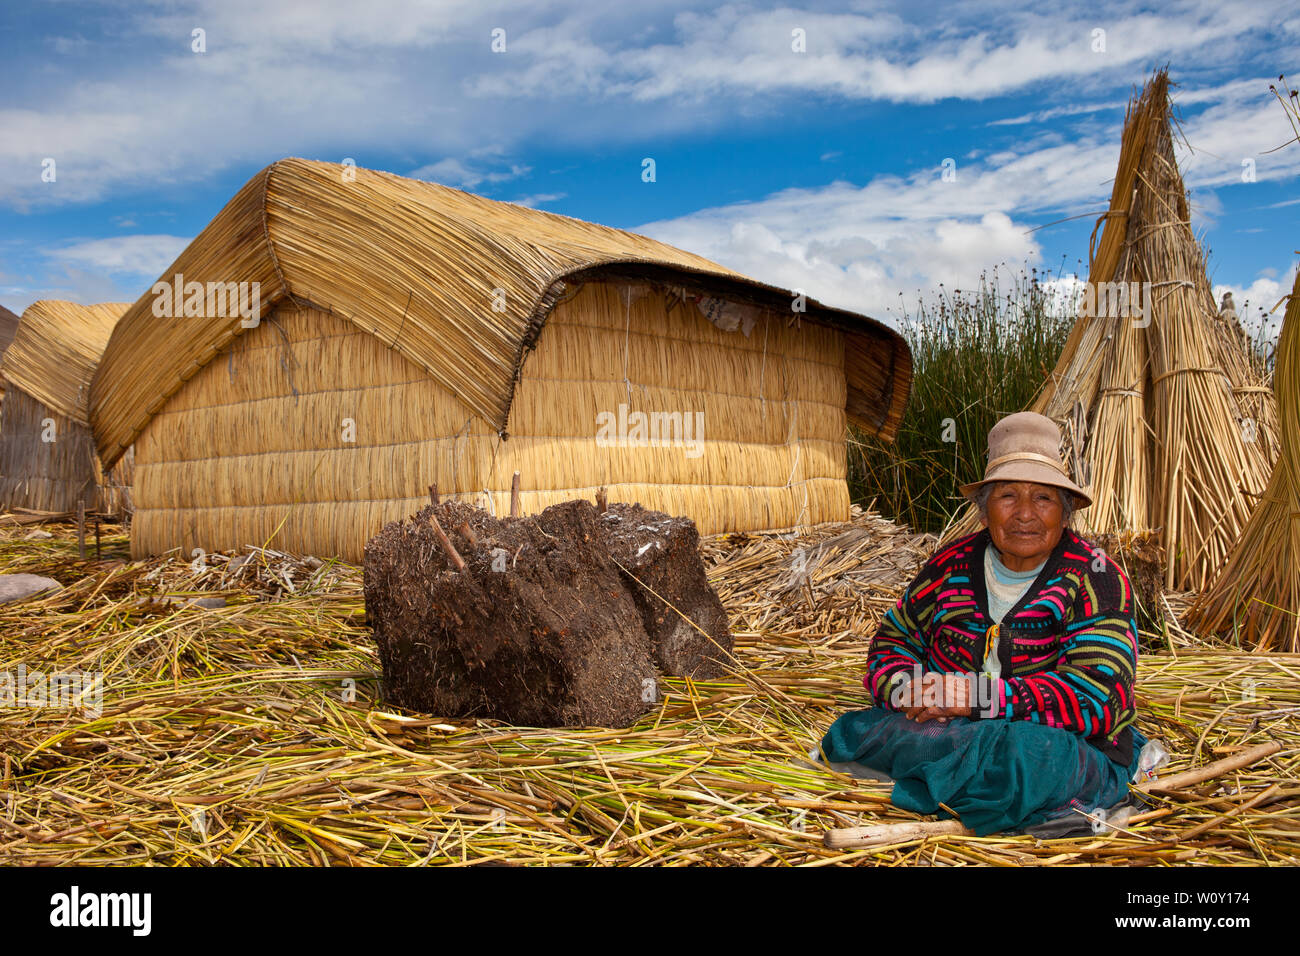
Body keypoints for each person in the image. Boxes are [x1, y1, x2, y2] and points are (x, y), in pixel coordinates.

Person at [818, 411, 1148, 835]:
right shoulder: (947, 568)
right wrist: (911, 691)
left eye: (1043, 498)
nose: (1025, 514)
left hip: (1051, 744)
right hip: (948, 731)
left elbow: (1100, 695)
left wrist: (976, 697)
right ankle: (976, 790)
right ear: (983, 509)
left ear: (1065, 514)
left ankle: (943, 782)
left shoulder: (1097, 576)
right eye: (1008, 496)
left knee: (1027, 758)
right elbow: (891, 644)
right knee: (855, 730)